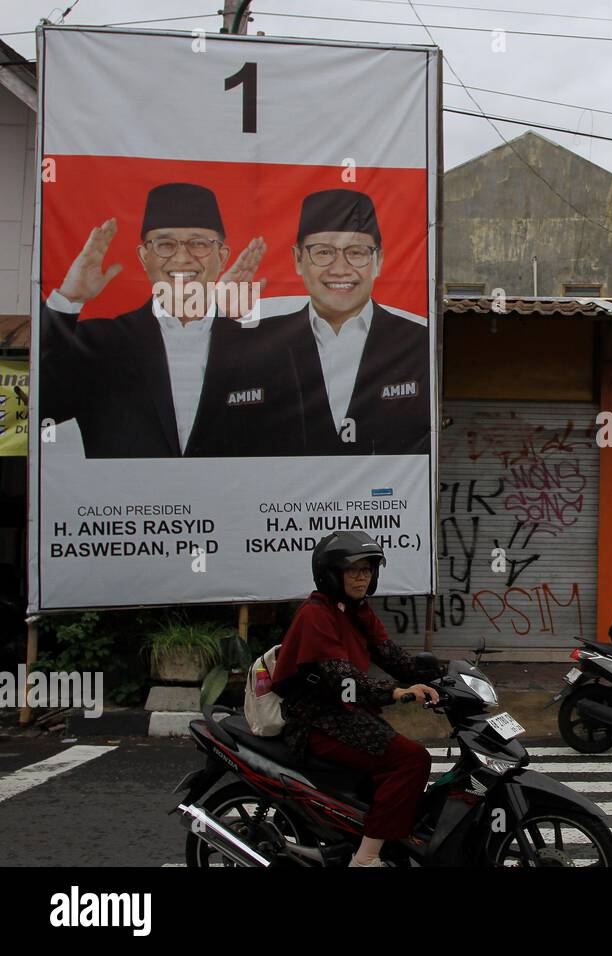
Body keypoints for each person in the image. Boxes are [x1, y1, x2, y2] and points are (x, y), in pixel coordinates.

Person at [40, 183, 273, 457]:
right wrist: (69, 298)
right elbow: (44, 408)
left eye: (198, 243)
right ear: (144, 257)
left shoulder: (260, 346)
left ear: (222, 257)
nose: (183, 258)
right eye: (165, 244)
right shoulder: (100, 341)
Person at [270, 530, 438, 867]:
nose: (363, 577)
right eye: (353, 570)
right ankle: (366, 858)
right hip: (317, 721)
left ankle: (369, 835)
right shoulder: (316, 614)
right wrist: (397, 692)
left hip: (343, 712)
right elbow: (344, 680)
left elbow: (390, 655)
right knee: (411, 759)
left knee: (390, 762)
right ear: (331, 573)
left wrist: (440, 678)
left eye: (368, 569)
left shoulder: (356, 610)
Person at [262, 189, 430, 456]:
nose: (340, 269)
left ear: (379, 260)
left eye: (356, 252)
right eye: (323, 252)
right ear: (297, 259)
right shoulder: (260, 344)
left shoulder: (419, 343)